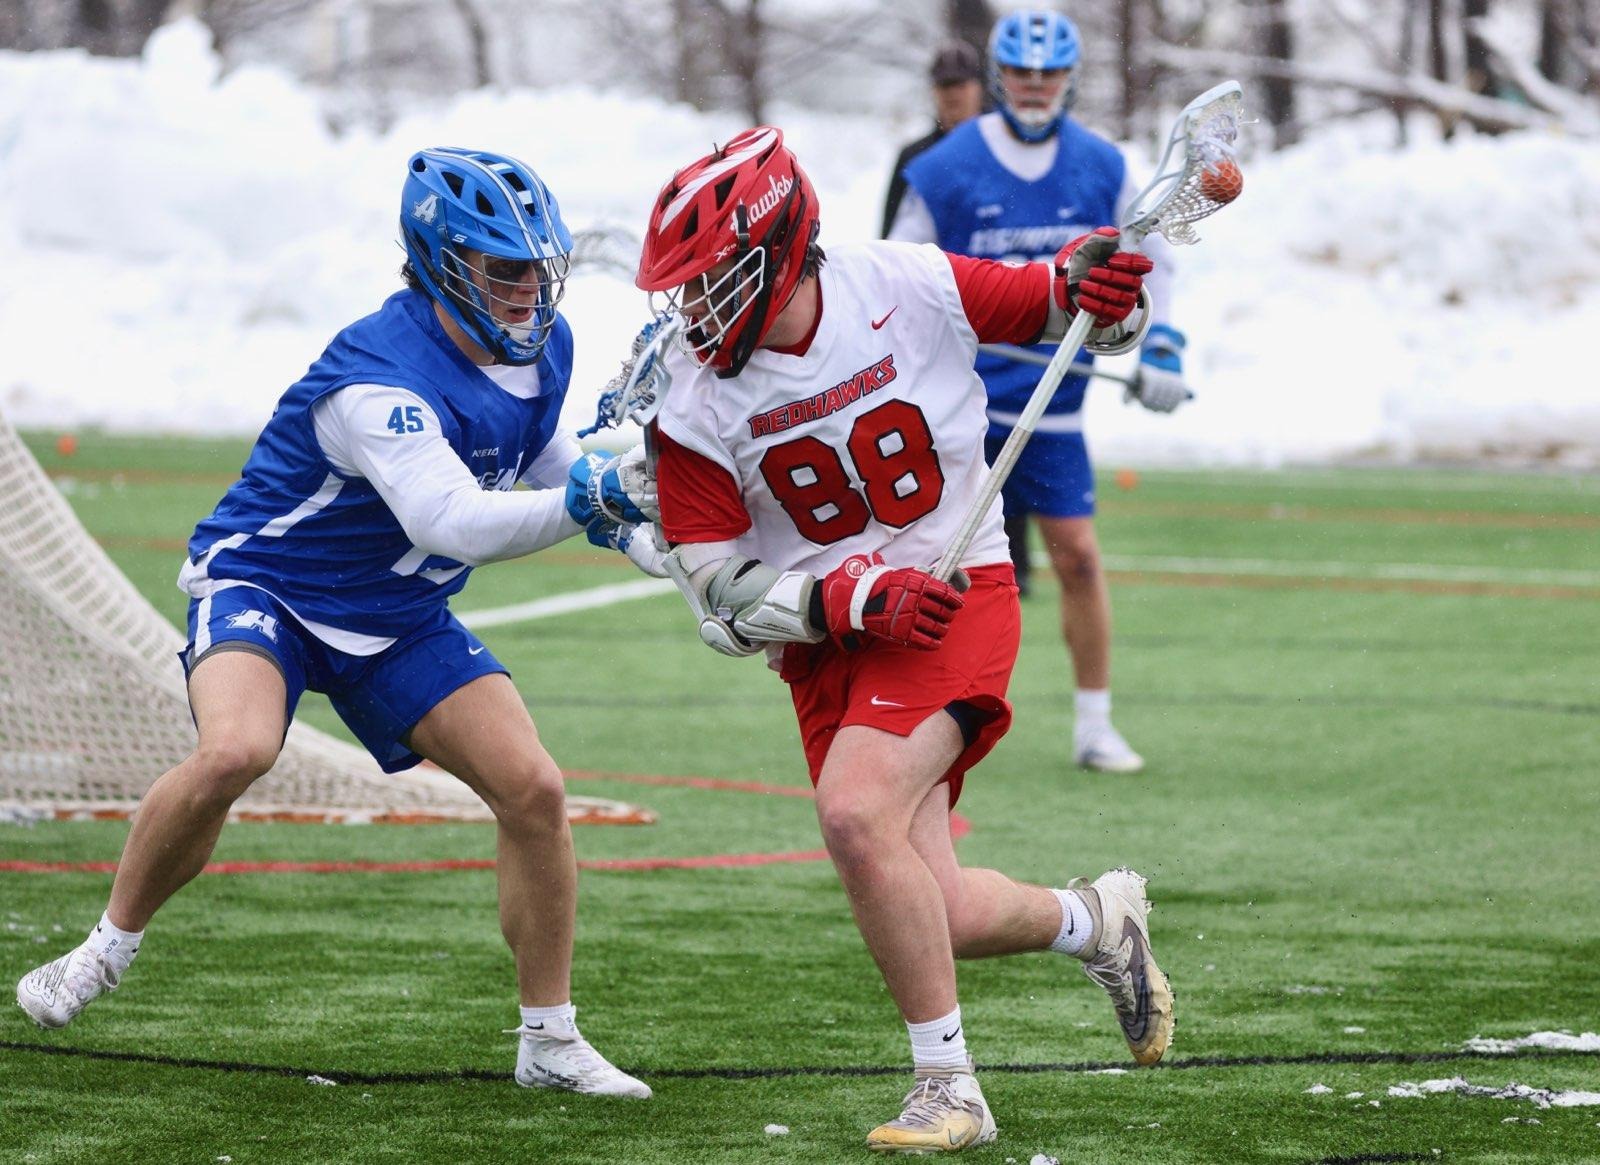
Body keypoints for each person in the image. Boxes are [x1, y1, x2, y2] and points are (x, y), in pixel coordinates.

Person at [15, 147, 662, 1099]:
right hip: (273, 584)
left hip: (394, 610)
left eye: (536, 268)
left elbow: (550, 465)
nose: (528, 292)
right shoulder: (379, 375)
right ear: (443, 264)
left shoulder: (543, 346)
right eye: (504, 271)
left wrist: (658, 544)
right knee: (238, 749)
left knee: (533, 789)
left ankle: (550, 1040)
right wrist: (592, 499)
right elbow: (450, 521)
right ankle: (107, 945)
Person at [632, 125, 1174, 1154]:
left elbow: (1064, 302)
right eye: (684, 288)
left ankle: (949, 1087)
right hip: (831, 634)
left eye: (712, 279)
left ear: (782, 245)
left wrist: (1110, 296)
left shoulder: (905, 281)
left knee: (851, 811)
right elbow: (710, 583)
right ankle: (1095, 920)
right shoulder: (692, 388)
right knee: (944, 909)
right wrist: (842, 601)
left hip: (953, 589)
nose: (692, 308)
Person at [888, 9, 1194, 775]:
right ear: (1000, 75)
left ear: (1069, 77)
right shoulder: (947, 165)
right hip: (960, 410)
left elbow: (1158, 263)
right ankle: (916, 722)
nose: (1035, 87)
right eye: (1022, 73)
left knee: (1080, 560)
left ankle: (1094, 723)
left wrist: (1162, 345)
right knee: (937, 571)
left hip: (1054, 407)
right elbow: (896, 273)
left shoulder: (1101, 164)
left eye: (1048, 73)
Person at [880, 39, 985, 239]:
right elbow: (890, 239)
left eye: (960, 84)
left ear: (977, 87)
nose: (952, 93)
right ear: (933, 90)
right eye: (945, 85)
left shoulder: (999, 145)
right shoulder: (914, 157)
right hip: (934, 265)